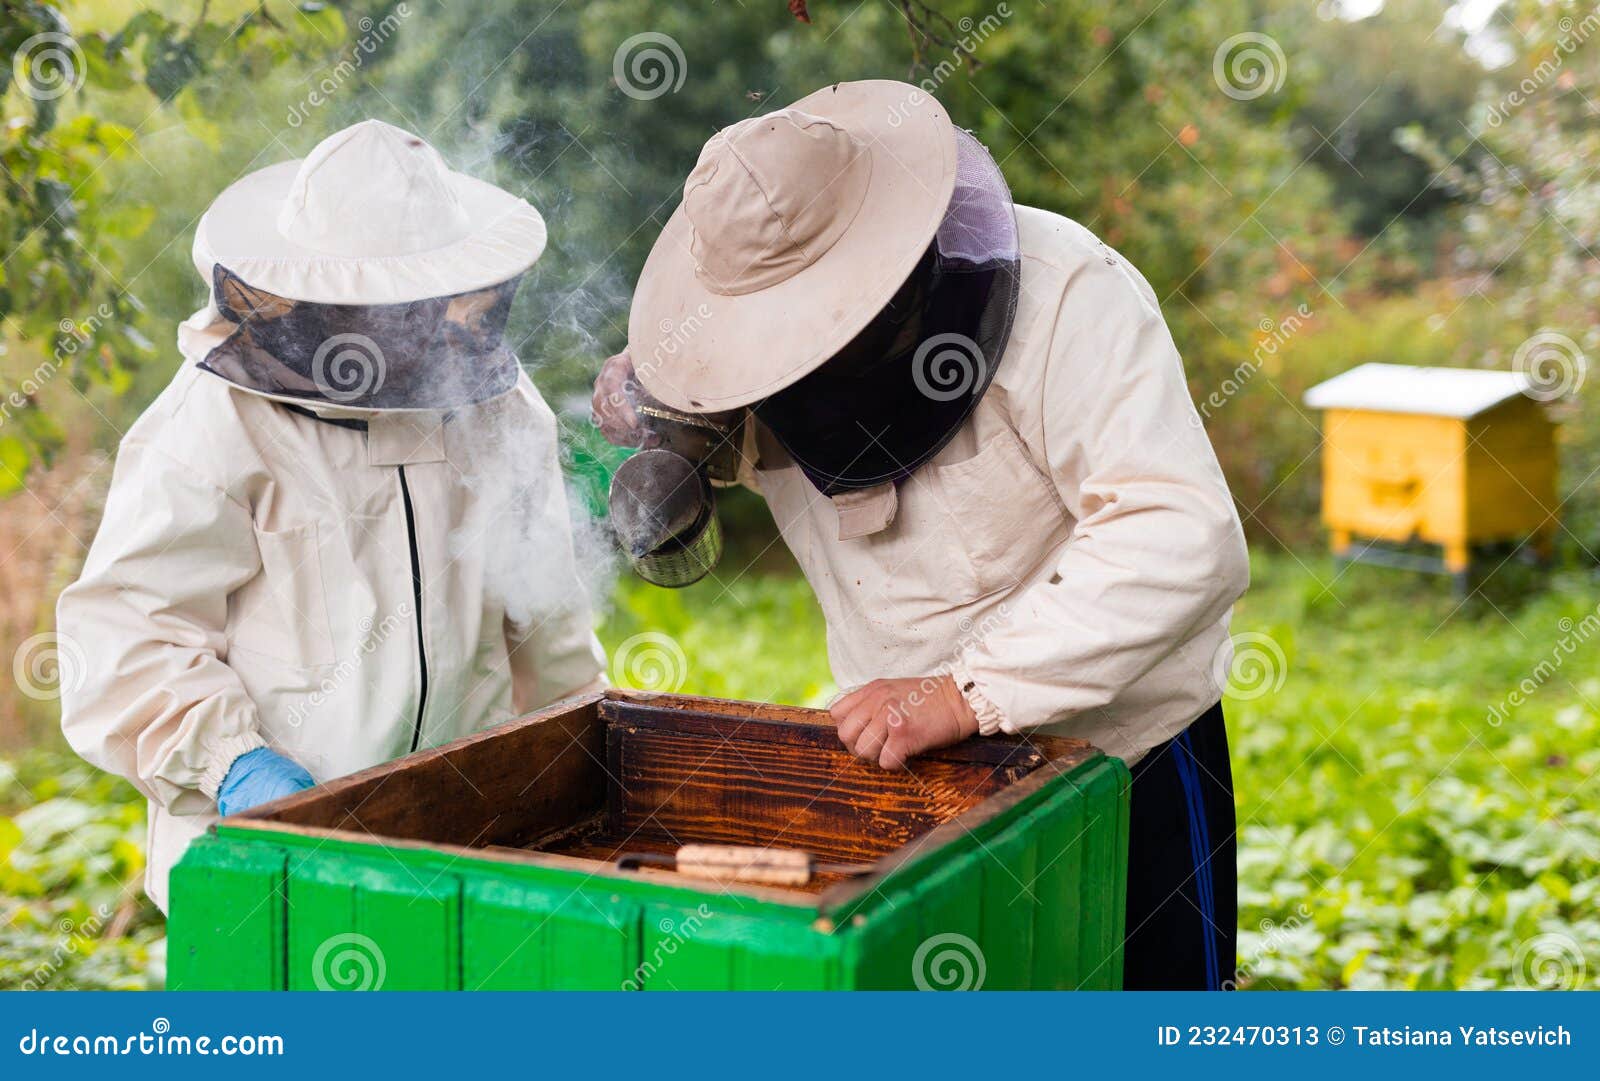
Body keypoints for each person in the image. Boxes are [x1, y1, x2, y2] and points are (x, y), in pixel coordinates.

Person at [592, 81, 1248, 990]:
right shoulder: (759, 350)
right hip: (905, 775)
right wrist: (673, 395)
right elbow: (750, 432)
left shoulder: (1069, 293)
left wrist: (964, 688)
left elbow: (1182, 533)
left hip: (1119, 761)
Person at [58, 120, 606, 911]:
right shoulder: (215, 421)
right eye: (375, 308)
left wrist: (588, 755)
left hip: (469, 855)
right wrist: (231, 762)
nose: (400, 329)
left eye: (414, 302)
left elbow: (549, 624)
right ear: (312, 296)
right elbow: (124, 633)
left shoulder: (501, 413)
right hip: (261, 872)